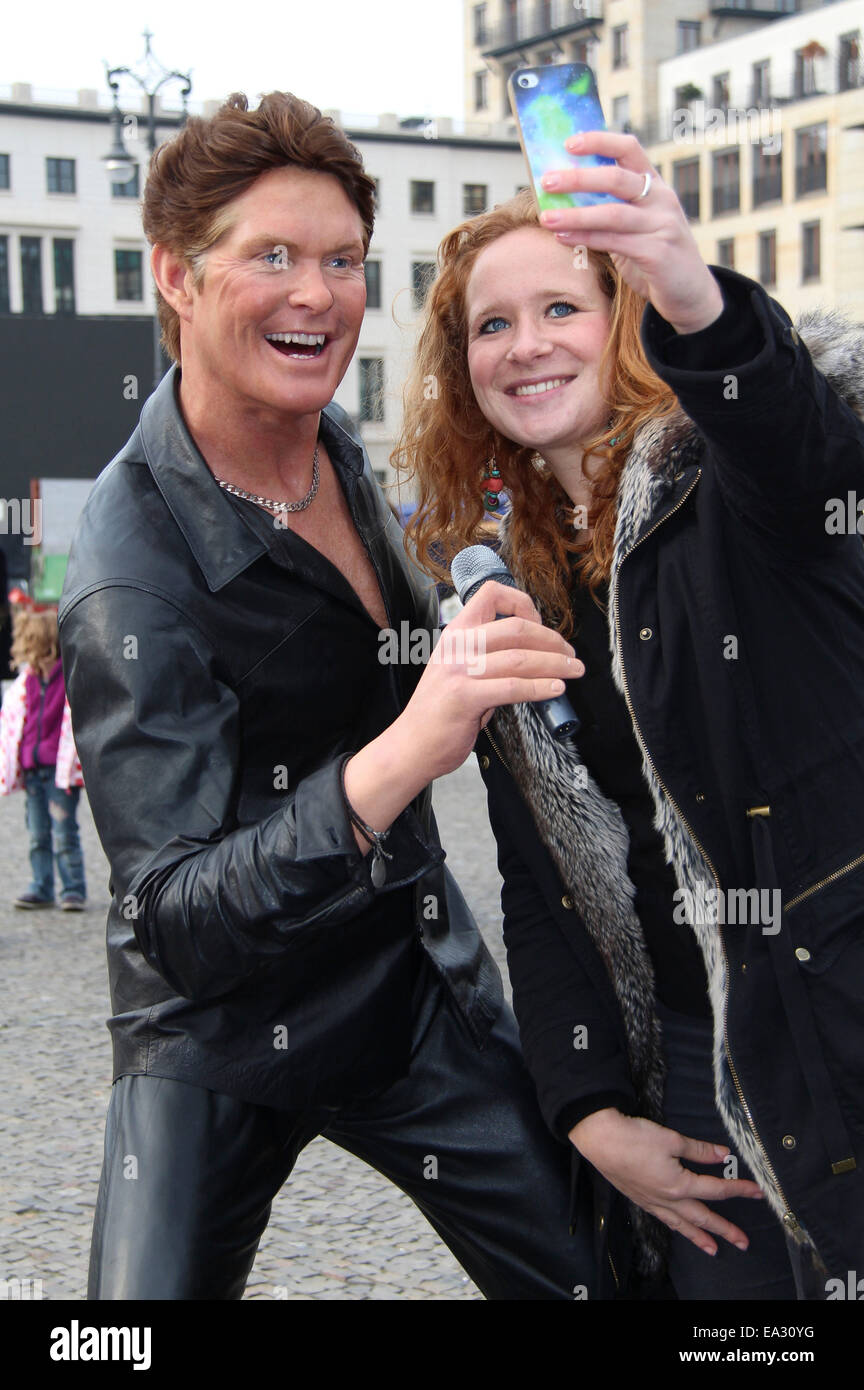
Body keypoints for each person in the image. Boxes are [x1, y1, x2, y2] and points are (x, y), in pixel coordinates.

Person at [58, 90, 599, 1302]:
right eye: (275, 258)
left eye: (345, 260)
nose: (319, 295)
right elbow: (176, 917)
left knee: (599, 1273)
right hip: (217, 1039)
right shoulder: (127, 577)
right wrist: (411, 745)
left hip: (408, 980)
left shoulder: (334, 445)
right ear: (179, 281)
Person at [397, 130, 864, 1301]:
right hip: (695, 1061)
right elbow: (537, 872)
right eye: (490, 325)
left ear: (623, 322)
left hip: (838, 1011)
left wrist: (691, 290)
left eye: (562, 305)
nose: (525, 345)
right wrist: (588, 1105)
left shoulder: (733, 479)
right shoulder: (501, 580)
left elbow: (800, 443)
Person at [0, 607, 85, 908]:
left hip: (59, 772)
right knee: (37, 833)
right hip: (33, 770)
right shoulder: (26, 682)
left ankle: (73, 887)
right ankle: (41, 885)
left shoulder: (67, 678)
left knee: (64, 831)